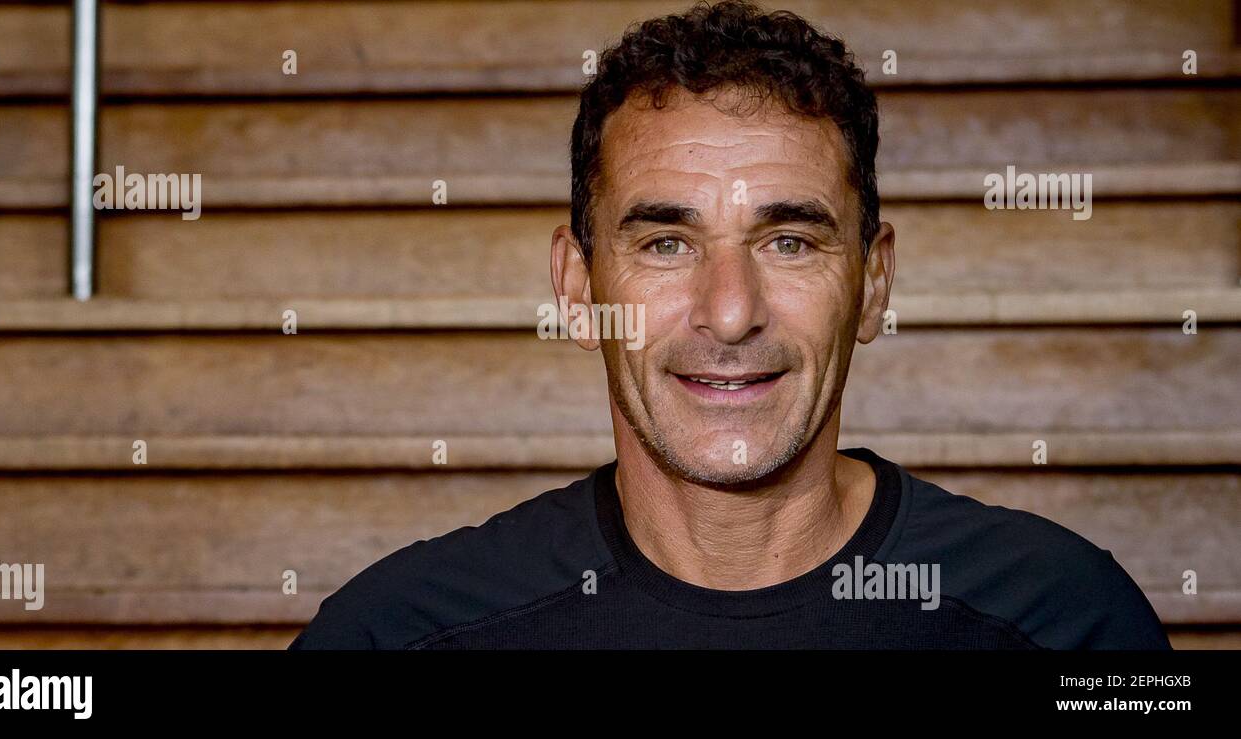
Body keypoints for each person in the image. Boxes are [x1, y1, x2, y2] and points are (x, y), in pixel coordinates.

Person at [291, 0, 1169, 649]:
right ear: (575, 286)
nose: (730, 310)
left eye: (789, 241)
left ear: (872, 283)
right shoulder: (395, 636)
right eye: (667, 242)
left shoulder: (1071, 621)